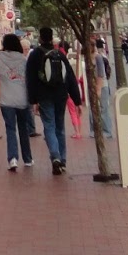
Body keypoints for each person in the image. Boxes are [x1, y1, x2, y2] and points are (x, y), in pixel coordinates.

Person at [26, 25, 82, 175]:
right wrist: (77, 100)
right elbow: (70, 77)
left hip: (44, 96)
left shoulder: (35, 55)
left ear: (40, 38)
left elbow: (30, 79)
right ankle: (62, 161)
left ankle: (55, 156)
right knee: (60, 128)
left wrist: (33, 100)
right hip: (61, 95)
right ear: (51, 39)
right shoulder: (59, 54)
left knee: (49, 127)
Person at [0, 33, 32, 171]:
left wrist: (3, 77)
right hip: (22, 99)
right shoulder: (23, 59)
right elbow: (29, 78)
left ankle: (13, 159)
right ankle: (28, 158)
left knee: (10, 129)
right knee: (23, 129)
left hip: (6, 99)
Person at [94, 38, 114, 139]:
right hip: (102, 85)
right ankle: (101, 130)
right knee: (101, 108)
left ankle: (107, 131)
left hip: (103, 85)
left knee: (104, 108)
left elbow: (101, 74)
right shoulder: (102, 56)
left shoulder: (99, 57)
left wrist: (98, 88)